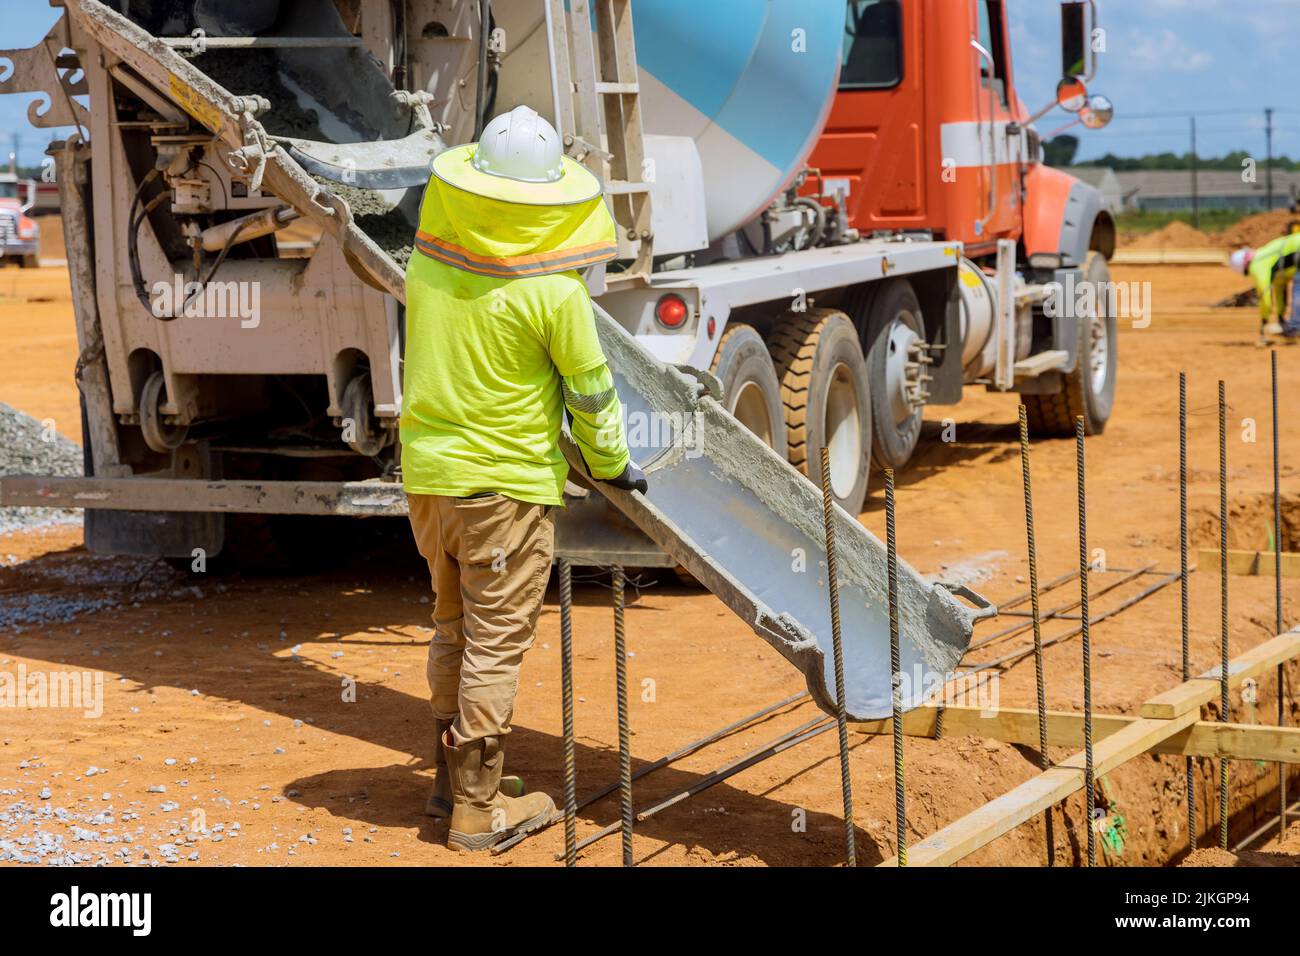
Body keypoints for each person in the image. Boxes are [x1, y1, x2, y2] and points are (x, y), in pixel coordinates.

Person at [400, 105, 648, 851]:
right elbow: (592, 397)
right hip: (504, 493)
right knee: (495, 643)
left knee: (451, 626)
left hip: (429, 484)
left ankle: (451, 789)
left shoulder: (428, 266)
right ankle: (479, 813)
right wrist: (615, 471)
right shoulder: (557, 295)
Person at [1230, 231, 1300, 344]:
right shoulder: (1268, 258)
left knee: (1298, 287)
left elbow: (1265, 295)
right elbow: (1279, 290)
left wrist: (1264, 320)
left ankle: (1295, 327)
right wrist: (1280, 318)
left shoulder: (1258, 265)